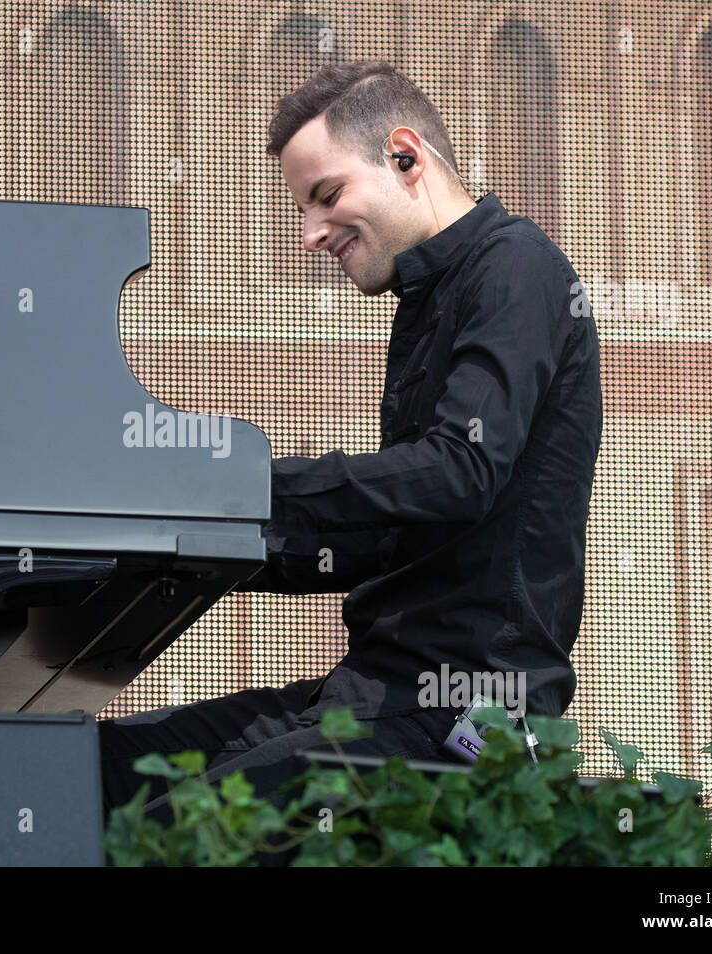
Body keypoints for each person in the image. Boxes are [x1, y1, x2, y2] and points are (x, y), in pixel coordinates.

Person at [97, 60, 603, 821]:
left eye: (326, 197)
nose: (310, 234)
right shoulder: (426, 300)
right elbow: (397, 534)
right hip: (371, 693)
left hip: (464, 720)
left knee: (179, 826)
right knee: (90, 771)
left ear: (406, 156)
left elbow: (457, 472)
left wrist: (243, 478)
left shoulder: (517, 268)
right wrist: (201, 547)